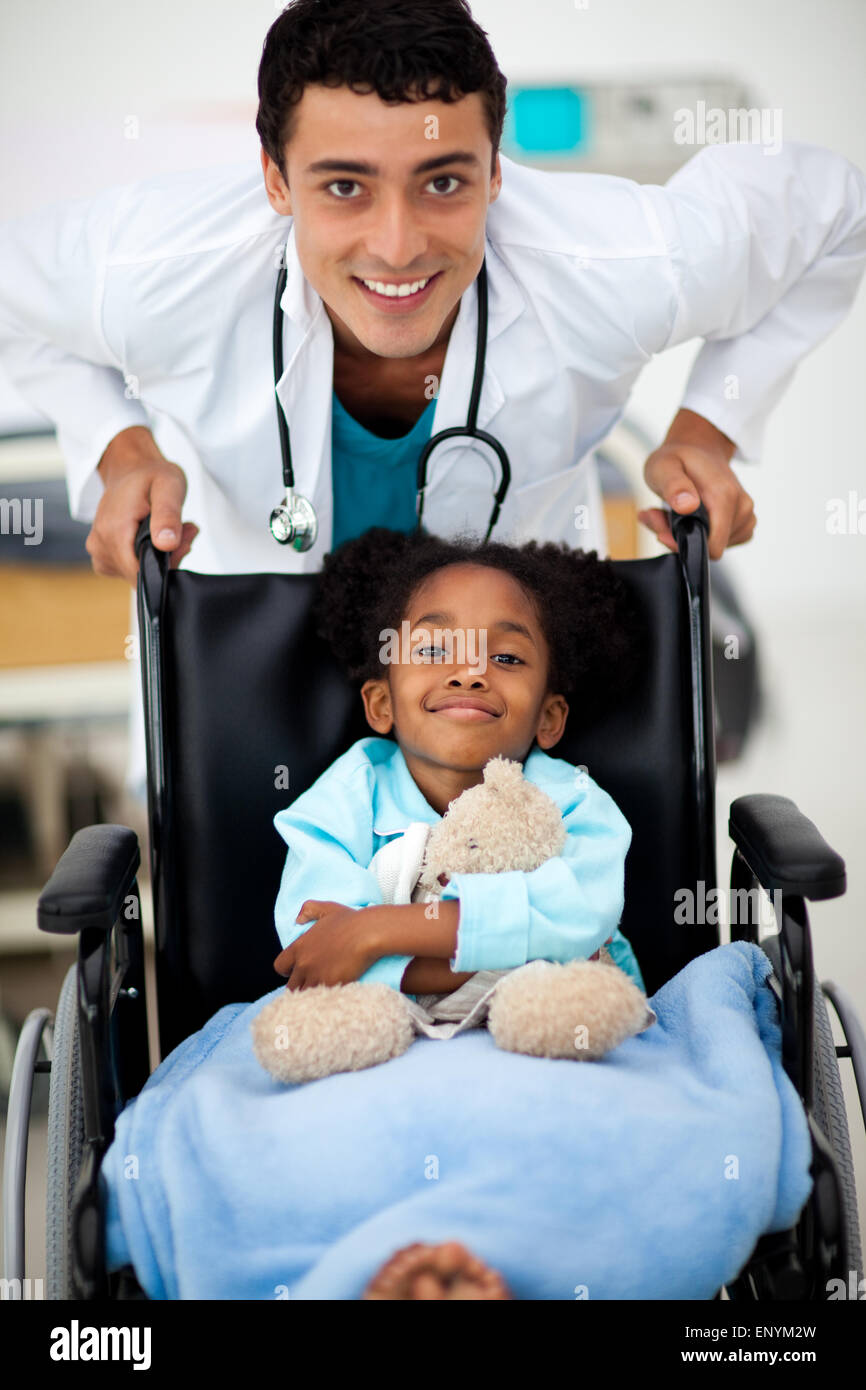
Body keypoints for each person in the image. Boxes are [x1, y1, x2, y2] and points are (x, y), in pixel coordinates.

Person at [1, 0, 864, 803]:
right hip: (252, 700)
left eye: (443, 182)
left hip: (507, 703)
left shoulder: (626, 266)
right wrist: (122, 451)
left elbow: (837, 210)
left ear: (495, 171)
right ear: (274, 179)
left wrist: (711, 428)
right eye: (345, 187)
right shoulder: (153, 271)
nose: (398, 245)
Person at [268, 523, 646, 1299]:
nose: (472, 673)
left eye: (506, 658)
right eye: (436, 651)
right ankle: (397, 1261)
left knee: (554, 1126)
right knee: (351, 1133)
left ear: (548, 719)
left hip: (541, 1037)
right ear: (380, 702)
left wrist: (379, 927)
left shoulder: (575, 804)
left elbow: (577, 916)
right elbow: (312, 947)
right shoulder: (340, 800)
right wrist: (492, 947)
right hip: (388, 1044)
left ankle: (510, 1253)